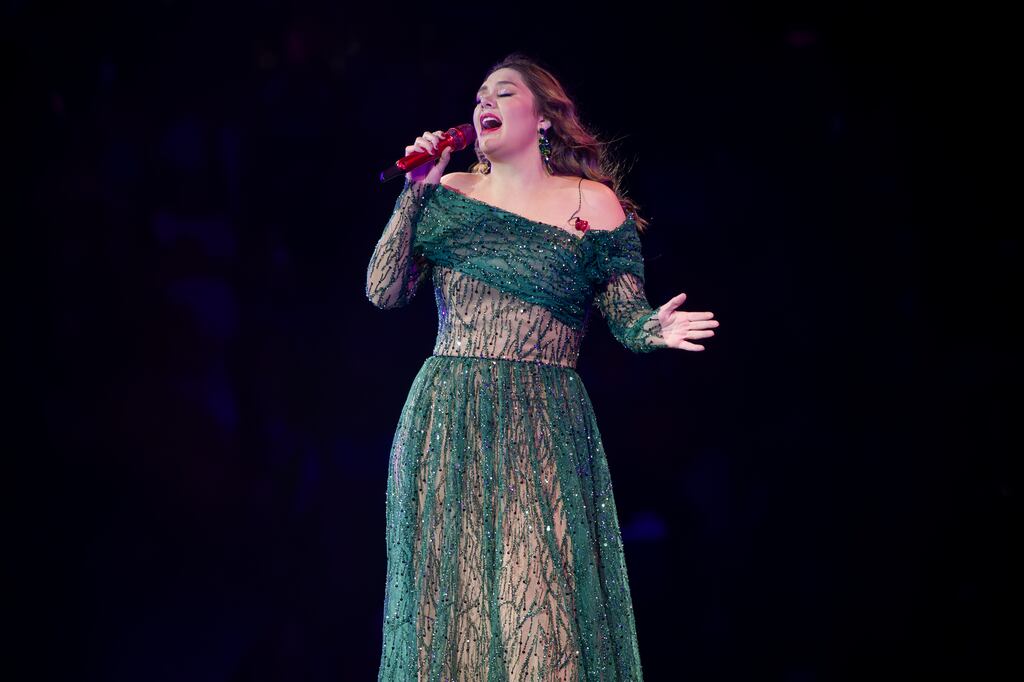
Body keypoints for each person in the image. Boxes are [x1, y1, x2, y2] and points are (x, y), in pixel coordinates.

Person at [366, 53, 719, 681]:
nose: (485, 102)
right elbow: (383, 292)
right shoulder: (447, 194)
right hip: (447, 418)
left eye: (503, 92)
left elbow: (626, 316)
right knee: (455, 624)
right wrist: (414, 192)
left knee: (541, 615)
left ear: (545, 118)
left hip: (541, 422)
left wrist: (653, 329)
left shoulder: (592, 203)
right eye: (479, 94)